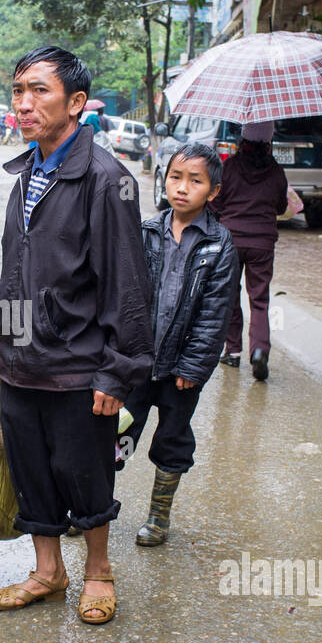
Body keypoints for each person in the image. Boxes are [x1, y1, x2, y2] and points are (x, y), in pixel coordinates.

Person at [0, 46, 153, 625]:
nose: (24, 104)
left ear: (76, 103)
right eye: (18, 91)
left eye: (39, 91)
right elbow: (15, 270)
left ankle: (99, 571)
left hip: (81, 365)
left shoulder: (107, 181)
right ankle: (48, 572)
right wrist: (3, 340)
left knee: (85, 470)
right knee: (31, 467)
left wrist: (119, 370)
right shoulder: (27, 173)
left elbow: (128, 285)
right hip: (24, 361)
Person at [118, 142, 237, 546]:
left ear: (214, 191)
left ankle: (158, 516)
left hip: (179, 372)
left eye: (195, 180)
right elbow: (127, 294)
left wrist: (194, 367)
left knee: (172, 439)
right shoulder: (147, 232)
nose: (183, 187)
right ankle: (94, 507)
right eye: (175, 177)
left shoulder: (220, 246)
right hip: (137, 363)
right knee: (114, 432)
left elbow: (215, 314)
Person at [211, 120, 288, 380]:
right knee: (260, 300)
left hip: (231, 240)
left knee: (231, 295)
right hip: (263, 244)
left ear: (242, 142)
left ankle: (232, 352)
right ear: (268, 145)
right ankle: (259, 352)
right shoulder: (276, 171)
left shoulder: (229, 167)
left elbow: (215, 203)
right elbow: (280, 206)